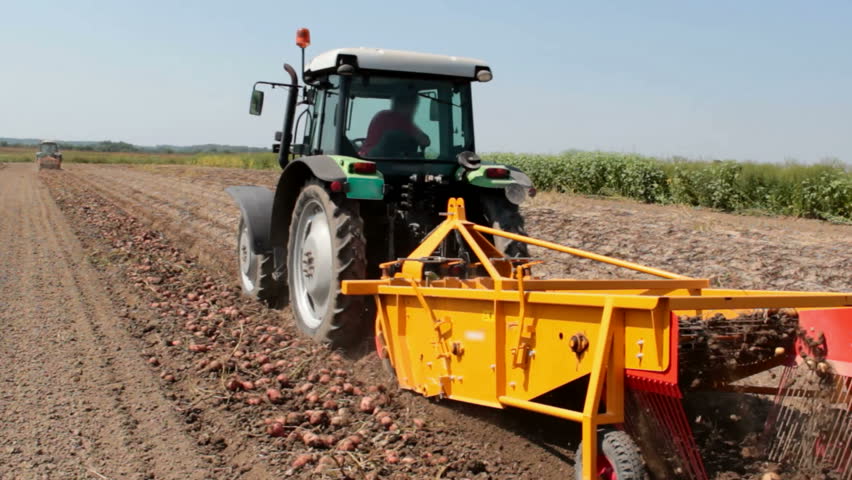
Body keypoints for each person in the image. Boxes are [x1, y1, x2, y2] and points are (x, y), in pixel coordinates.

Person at [358, 92, 431, 157]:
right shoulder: (387, 118)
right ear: (401, 105)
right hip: (374, 159)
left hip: (383, 159)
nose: (414, 111)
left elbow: (425, 141)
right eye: (412, 106)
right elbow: (425, 141)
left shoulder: (403, 122)